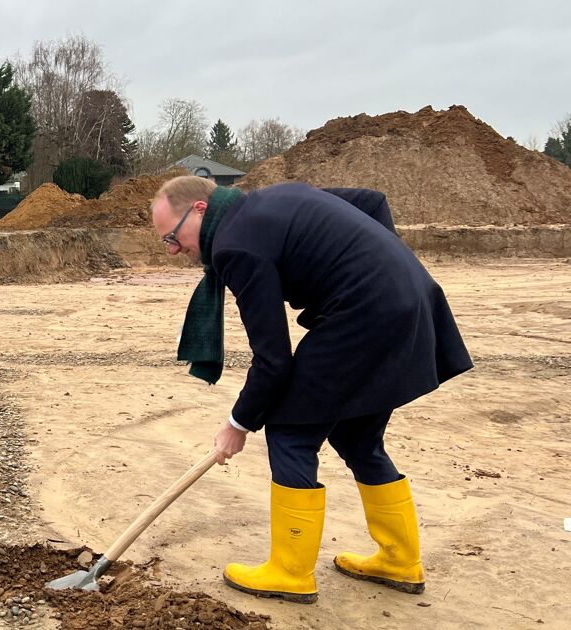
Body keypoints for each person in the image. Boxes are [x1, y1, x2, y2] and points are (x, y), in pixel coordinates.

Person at [151, 176, 472, 604]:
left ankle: (289, 573)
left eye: (172, 237)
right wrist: (381, 263)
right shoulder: (275, 197)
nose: (173, 250)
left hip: (365, 315)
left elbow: (273, 361)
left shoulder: (235, 246)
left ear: (199, 210)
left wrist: (238, 423)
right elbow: (372, 202)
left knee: (289, 427)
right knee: (355, 434)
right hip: (409, 298)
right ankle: (399, 560)